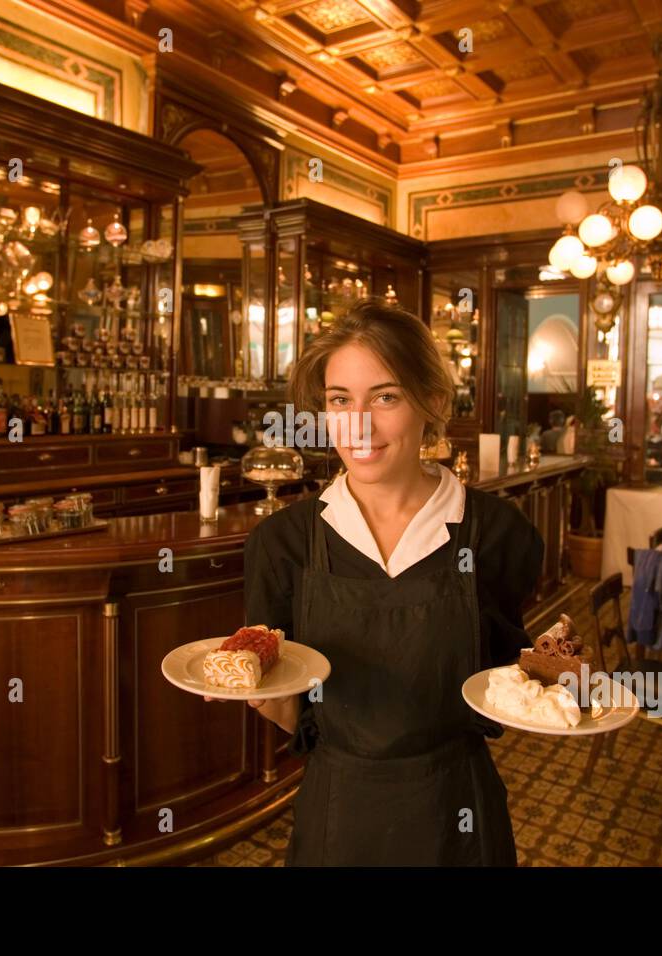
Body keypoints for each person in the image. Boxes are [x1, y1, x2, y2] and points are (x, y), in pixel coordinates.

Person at [230, 298, 544, 866]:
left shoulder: (498, 534)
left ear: (434, 402)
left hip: (457, 814)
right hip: (339, 811)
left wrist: (562, 690)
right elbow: (289, 711)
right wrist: (249, 685)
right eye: (339, 400)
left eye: (386, 397)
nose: (358, 425)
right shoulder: (283, 544)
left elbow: (506, 689)